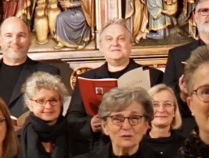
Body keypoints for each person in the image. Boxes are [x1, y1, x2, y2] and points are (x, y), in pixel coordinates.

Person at [65, 19, 164, 150]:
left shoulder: (153, 76)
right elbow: (71, 119)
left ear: (130, 44)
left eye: (121, 39)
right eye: (109, 39)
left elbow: (161, 114)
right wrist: (90, 124)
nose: (115, 44)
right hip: (100, 149)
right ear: (100, 46)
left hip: (143, 147)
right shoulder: (85, 79)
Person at [0, 14, 75, 120]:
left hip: (29, 140)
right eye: (9, 35)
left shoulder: (48, 72)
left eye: (21, 36)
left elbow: (55, 114)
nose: (15, 41)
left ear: (30, 39)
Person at [144, 82, 187, 158]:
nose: (161, 110)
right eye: (155, 105)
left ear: (174, 111)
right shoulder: (135, 145)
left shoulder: (186, 146)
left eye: (167, 104)